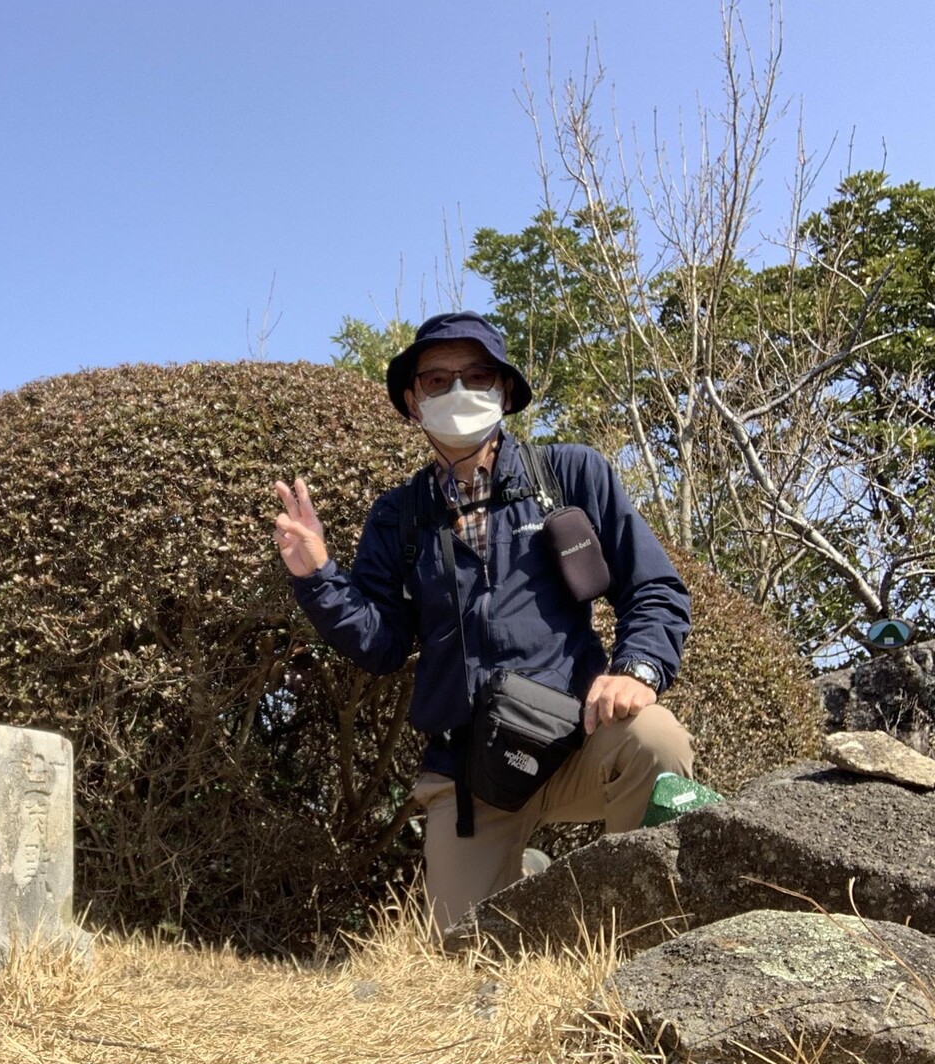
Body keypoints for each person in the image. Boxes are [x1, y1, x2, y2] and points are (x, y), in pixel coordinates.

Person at [272, 311, 693, 935]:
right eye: (437, 380)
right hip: (467, 776)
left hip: (577, 737)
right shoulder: (398, 515)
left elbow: (654, 588)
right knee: (464, 959)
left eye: (477, 375)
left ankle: (649, 944)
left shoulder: (572, 475)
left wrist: (636, 669)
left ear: (505, 390)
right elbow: (382, 643)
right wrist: (318, 576)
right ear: (413, 401)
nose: (458, 391)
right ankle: (522, 870)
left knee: (655, 740)